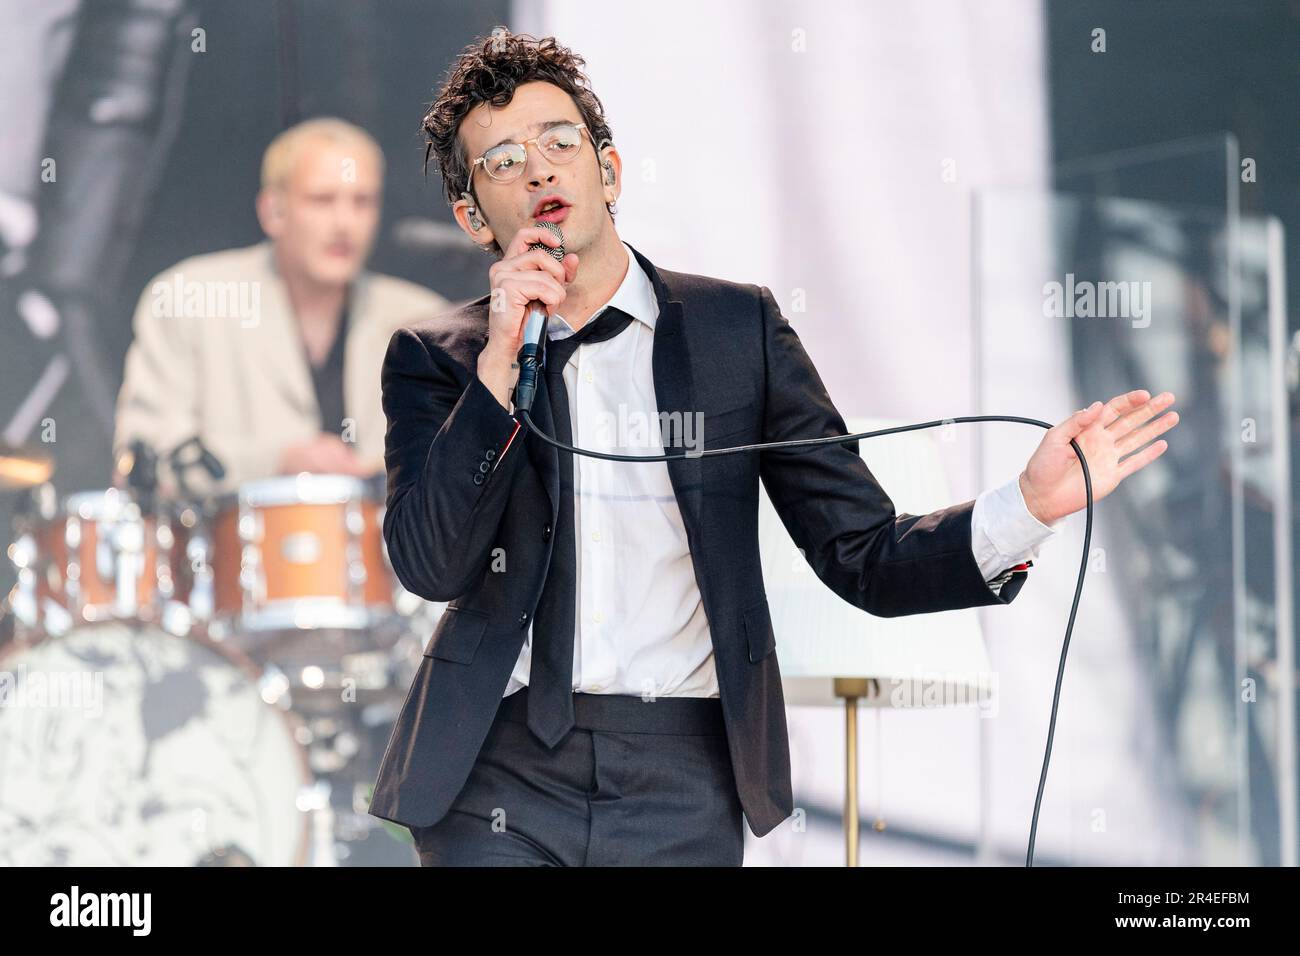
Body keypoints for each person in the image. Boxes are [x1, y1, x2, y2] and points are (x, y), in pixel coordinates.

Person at [368, 31, 1179, 866]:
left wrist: (1027, 506)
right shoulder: (439, 357)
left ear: (607, 171)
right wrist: (500, 366)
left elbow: (861, 551)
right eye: (502, 161)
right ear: (473, 217)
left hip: (684, 770)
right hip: (499, 774)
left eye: (560, 142)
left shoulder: (736, 330)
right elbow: (432, 565)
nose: (538, 169)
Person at [113, 117, 449, 496]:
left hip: (377, 553)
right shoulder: (188, 299)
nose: (344, 223)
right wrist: (275, 462)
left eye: (362, 202)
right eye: (322, 200)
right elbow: (141, 461)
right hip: (232, 550)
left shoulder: (423, 318)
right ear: (273, 211)